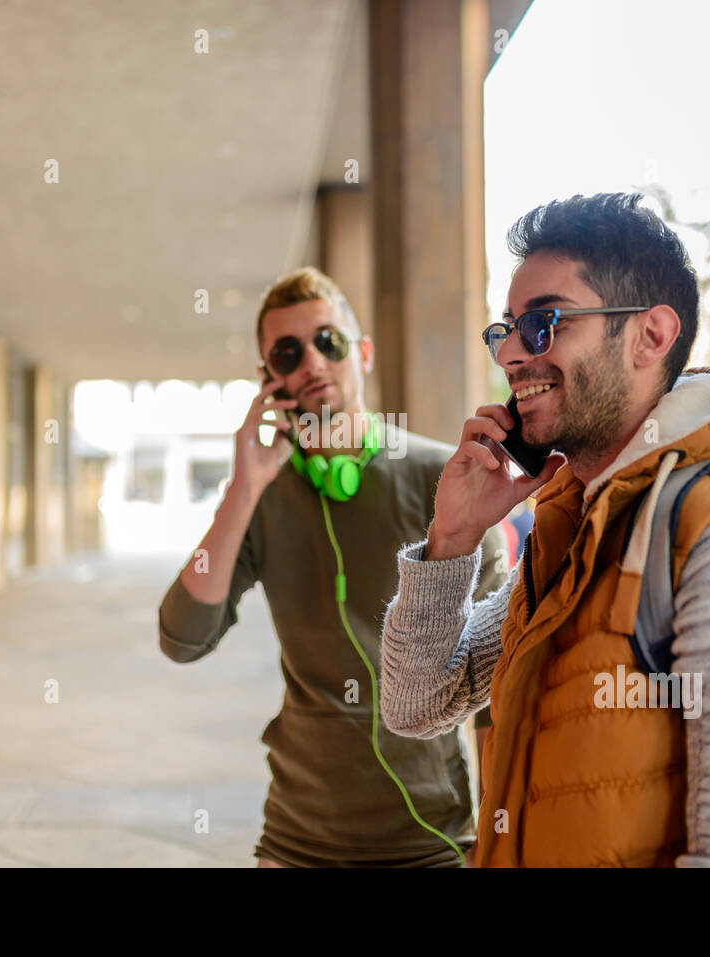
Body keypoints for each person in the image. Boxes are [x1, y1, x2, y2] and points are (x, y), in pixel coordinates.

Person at [380, 193, 710, 867]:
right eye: (505, 329)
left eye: (543, 323)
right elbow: (415, 703)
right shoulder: (574, 538)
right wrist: (450, 539)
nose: (511, 353)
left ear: (650, 336)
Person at [158, 266, 508, 867]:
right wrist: (244, 488)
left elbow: (501, 673)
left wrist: (497, 830)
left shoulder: (444, 479)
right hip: (298, 836)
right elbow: (182, 639)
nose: (312, 363)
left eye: (328, 341)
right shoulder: (260, 497)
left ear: (363, 353)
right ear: (270, 381)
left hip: (432, 837)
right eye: (288, 353)